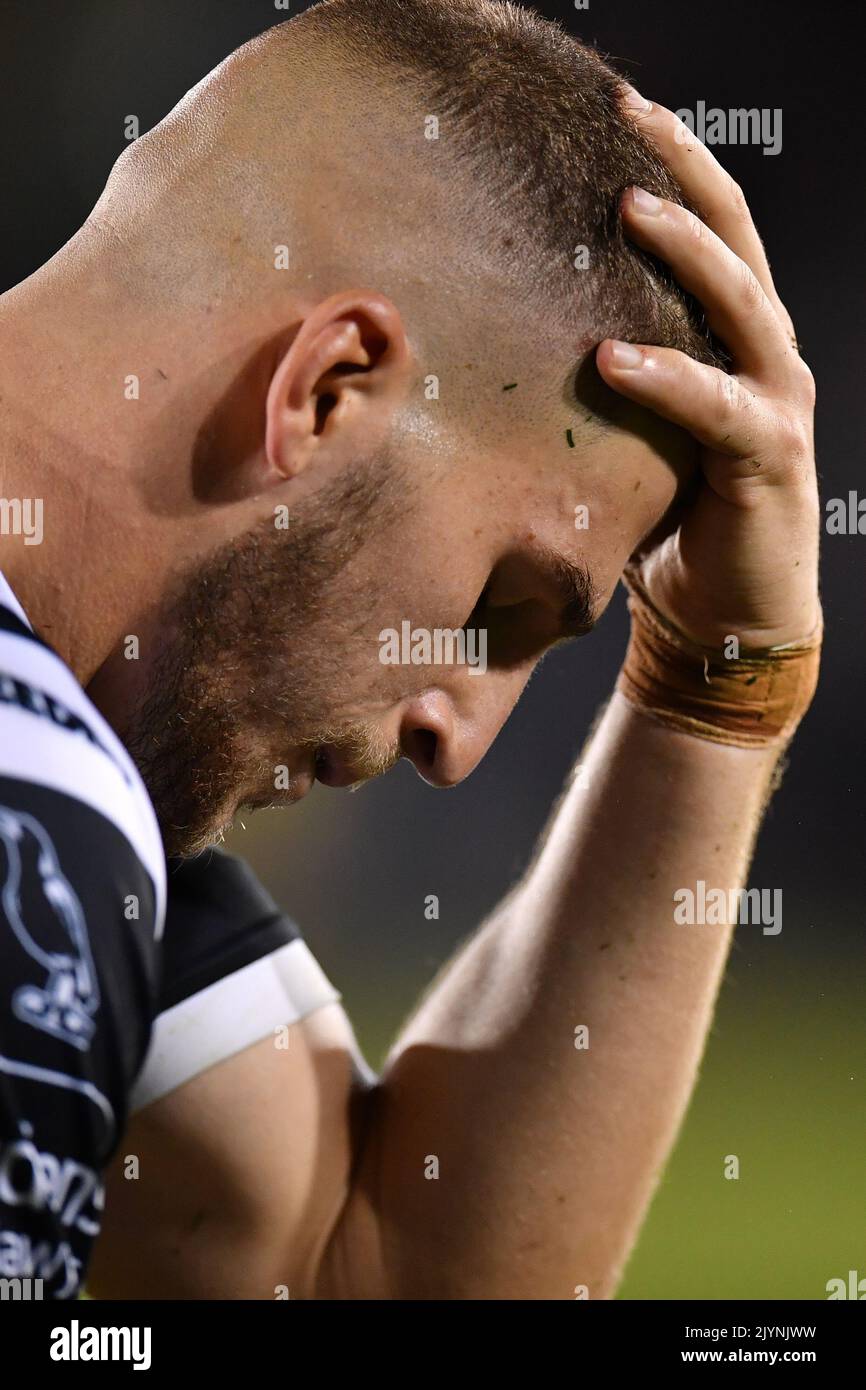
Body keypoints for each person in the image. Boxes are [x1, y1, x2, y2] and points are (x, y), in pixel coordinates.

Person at [0, 0, 819, 1300]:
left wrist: (710, 697)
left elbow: (366, 1266)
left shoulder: (92, 813)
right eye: (498, 610)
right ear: (325, 391)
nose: (455, 741)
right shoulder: (45, 815)